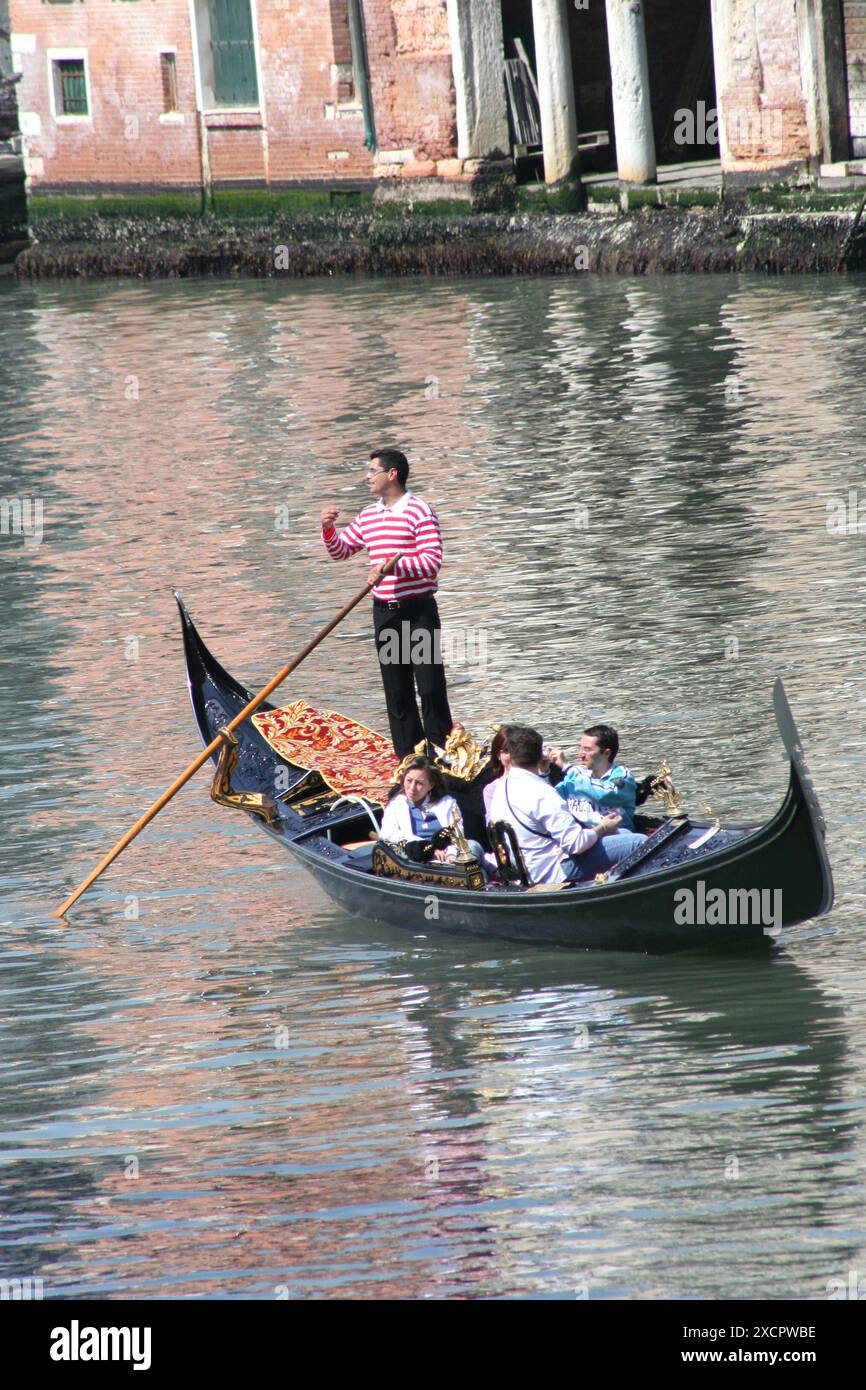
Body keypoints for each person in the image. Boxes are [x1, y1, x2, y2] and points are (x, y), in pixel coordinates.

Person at [320, 448, 453, 758]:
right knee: (398, 694)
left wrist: (394, 565)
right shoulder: (369, 515)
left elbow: (432, 562)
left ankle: (442, 756)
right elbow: (340, 551)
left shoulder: (419, 511)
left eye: (372, 471)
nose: (367, 477)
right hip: (386, 613)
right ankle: (409, 761)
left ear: (391, 474)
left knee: (430, 687)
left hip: (418, 611)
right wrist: (328, 529)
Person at [488, 726, 646, 886]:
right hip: (552, 870)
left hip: (525, 867)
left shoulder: (501, 787)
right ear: (540, 756)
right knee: (638, 842)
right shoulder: (542, 793)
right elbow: (576, 844)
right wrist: (603, 828)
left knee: (623, 834)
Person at [379, 757, 486, 866]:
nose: (412, 788)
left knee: (473, 846)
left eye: (419, 783)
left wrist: (451, 854)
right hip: (415, 857)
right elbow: (387, 833)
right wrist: (428, 848)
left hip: (449, 857)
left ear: (431, 785)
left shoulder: (447, 803)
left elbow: (456, 833)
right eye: (409, 781)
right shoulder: (396, 804)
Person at [548, 724, 639, 830]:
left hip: (615, 837)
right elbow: (549, 799)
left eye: (587, 749)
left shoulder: (623, 776)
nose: (580, 755)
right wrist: (544, 770)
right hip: (581, 839)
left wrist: (567, 767)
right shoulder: (576, 775)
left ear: (606, 753)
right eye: (580, 748)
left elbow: (603, 795)